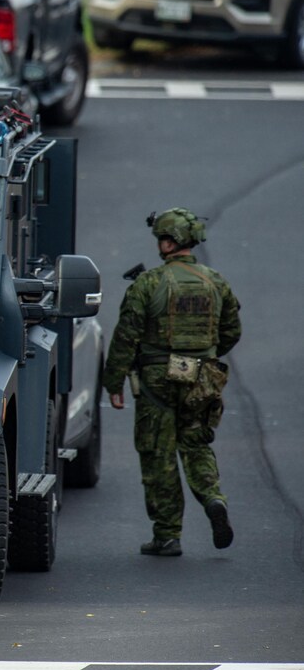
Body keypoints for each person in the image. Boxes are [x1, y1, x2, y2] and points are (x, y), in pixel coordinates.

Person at [102, 208, 241, 557]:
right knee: (195, 443)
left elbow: (125, 338)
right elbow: (231, 332)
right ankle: (212, 498)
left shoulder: (148, 284)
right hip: (203, 378)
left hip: (156, 380)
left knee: (158, 454)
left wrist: (113, 382)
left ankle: (167, 534)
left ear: (168, 241)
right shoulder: (216, 282)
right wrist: (204, 357)